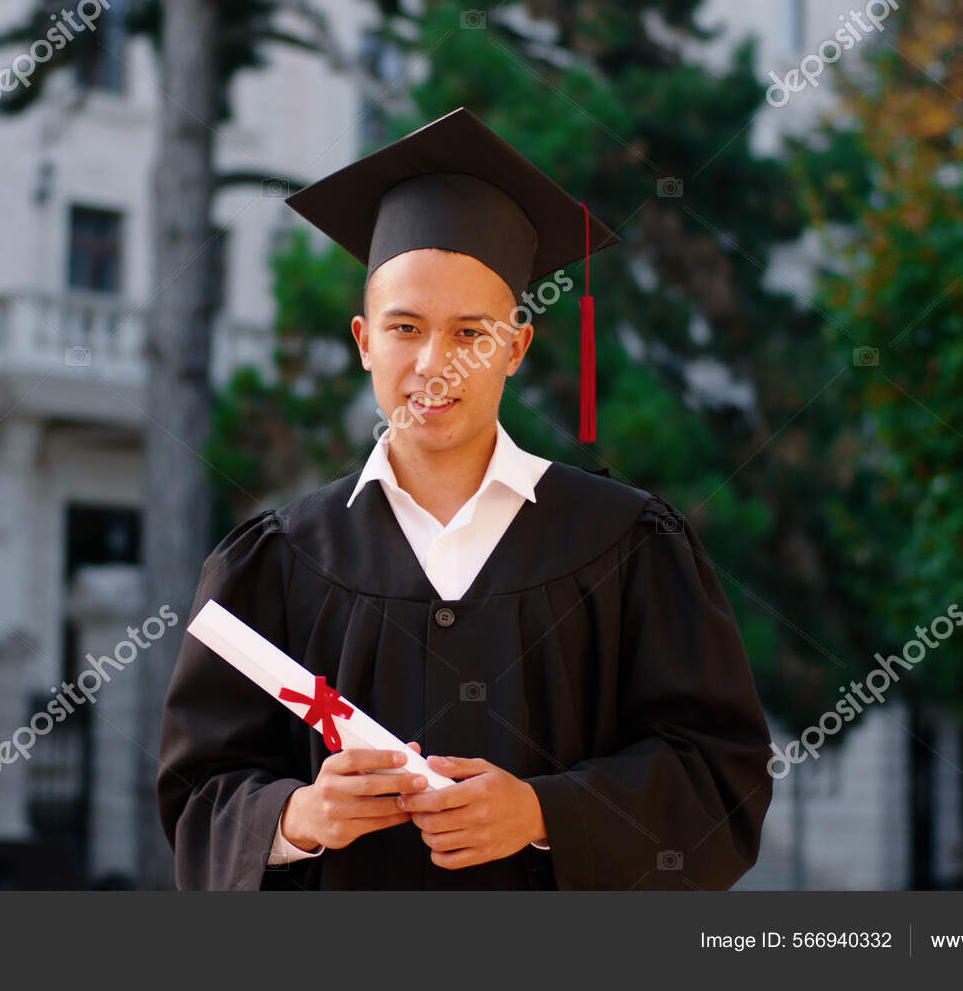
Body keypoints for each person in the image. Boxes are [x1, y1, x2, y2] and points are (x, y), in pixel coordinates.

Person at [157, 108, 772, 890]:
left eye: (469, 333)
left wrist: (547, 814)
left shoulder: (628, 544)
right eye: (405, 327)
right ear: (362, 340)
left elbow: (721, 782)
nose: (432, 365)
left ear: (515, 346)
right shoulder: (277, 559)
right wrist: (297, 817)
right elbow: (198, 799)